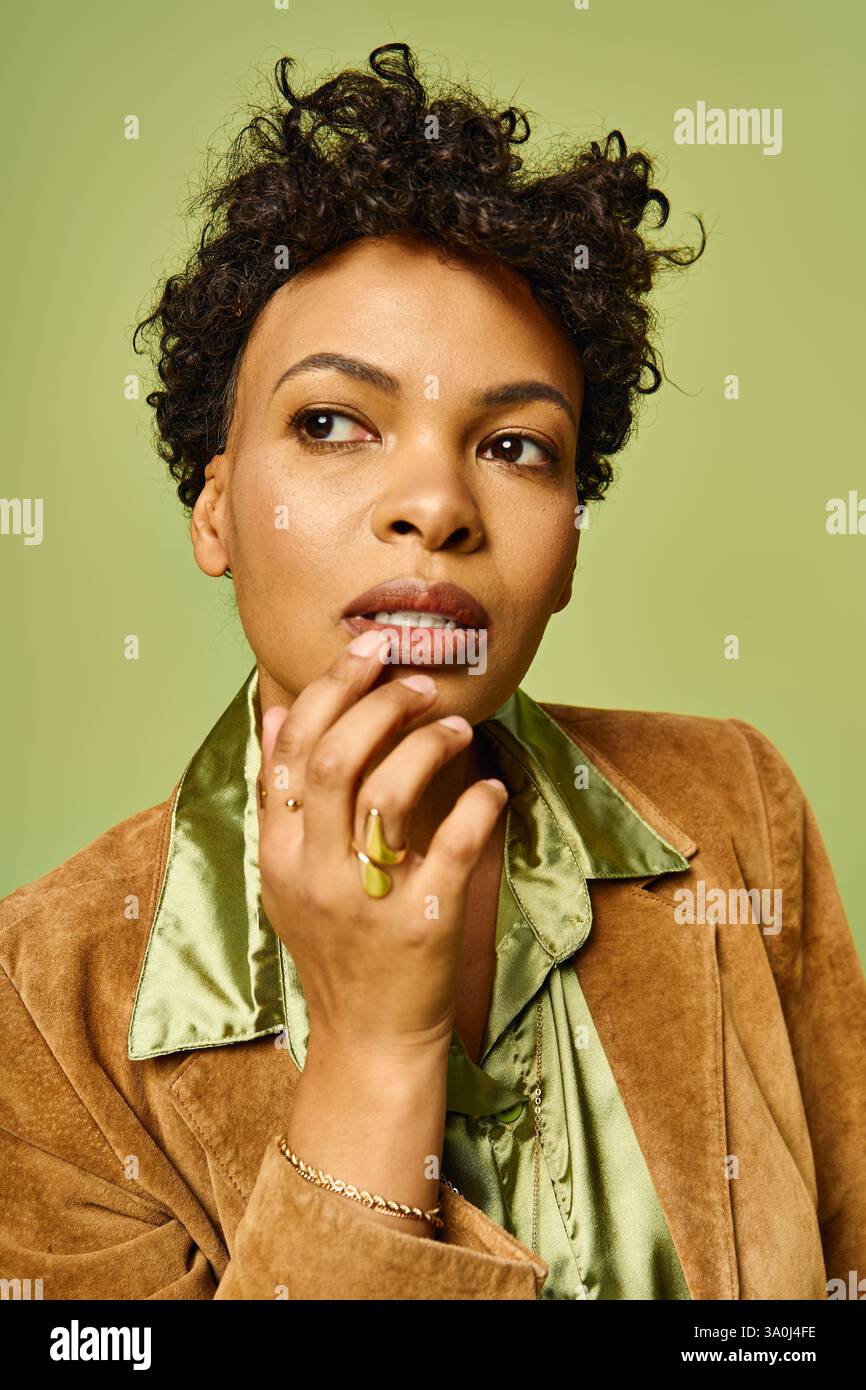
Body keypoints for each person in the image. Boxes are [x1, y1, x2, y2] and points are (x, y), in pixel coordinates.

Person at [1, 42, 864, 1302]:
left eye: (515, 445)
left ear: (567, 548)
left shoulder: (737, 811)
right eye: (331, 422)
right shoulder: (38, 1001)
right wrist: (370, 1054)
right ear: (216, 509)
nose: (433, 504)